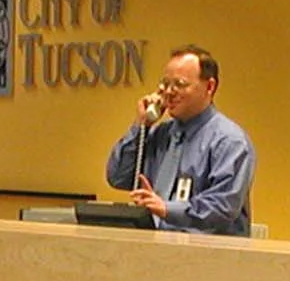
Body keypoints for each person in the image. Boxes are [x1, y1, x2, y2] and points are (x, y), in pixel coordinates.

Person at [103, 45, 255, 235]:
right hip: (159, 252)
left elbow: (223, 205)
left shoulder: (229, 141)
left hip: (210, 257)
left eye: (180, 84)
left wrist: (166, 209)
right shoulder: (160, 134)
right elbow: (117, 177)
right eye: (165, 84)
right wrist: (141, 125)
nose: (169, 92)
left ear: (210, 86)